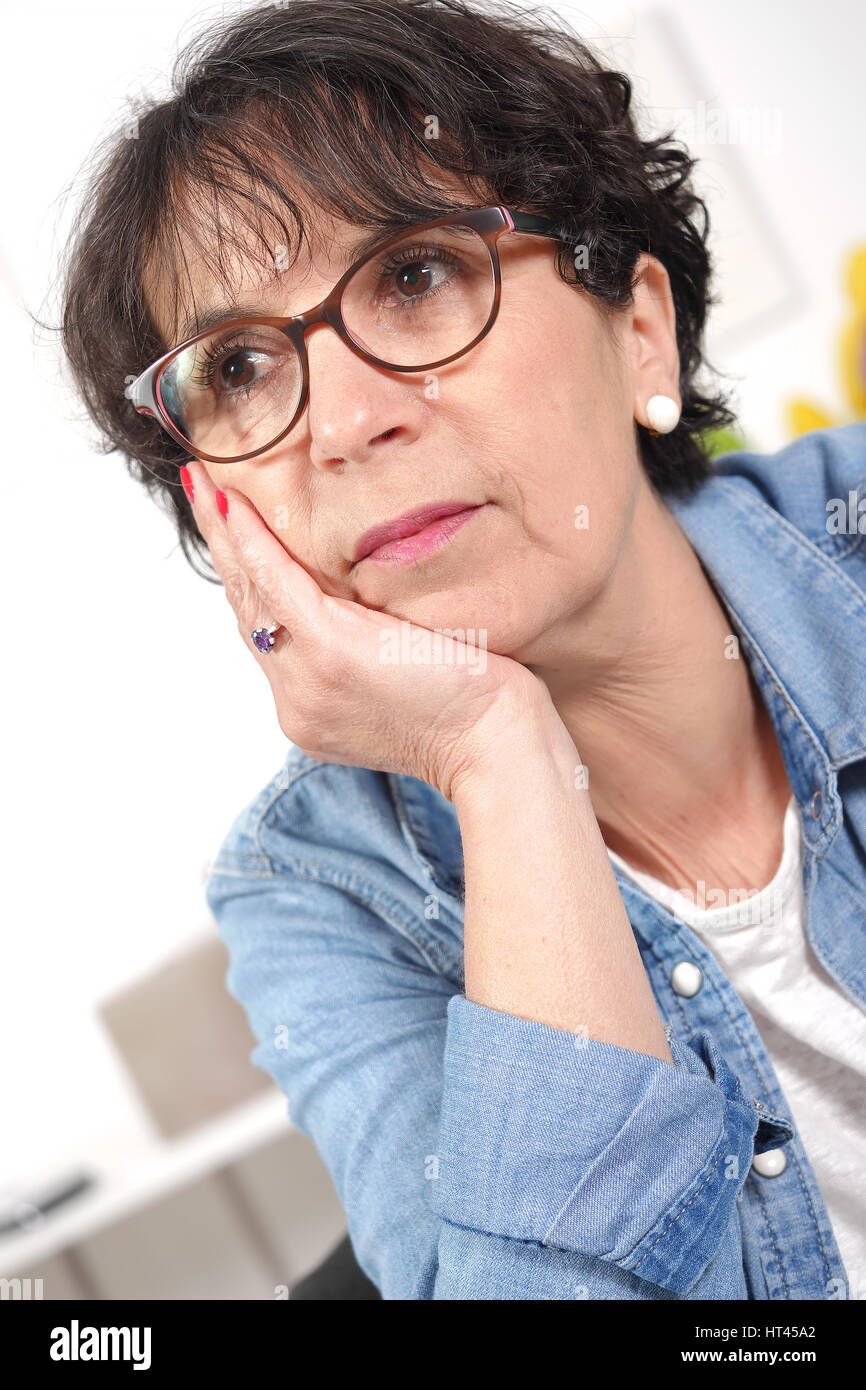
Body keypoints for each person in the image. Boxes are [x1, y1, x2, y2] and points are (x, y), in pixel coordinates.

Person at [58, 0, 866, 1300]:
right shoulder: (313, 886)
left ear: (638, 327)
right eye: (243, 368)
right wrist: (498, 761)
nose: (344, 421)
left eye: (417, 275)